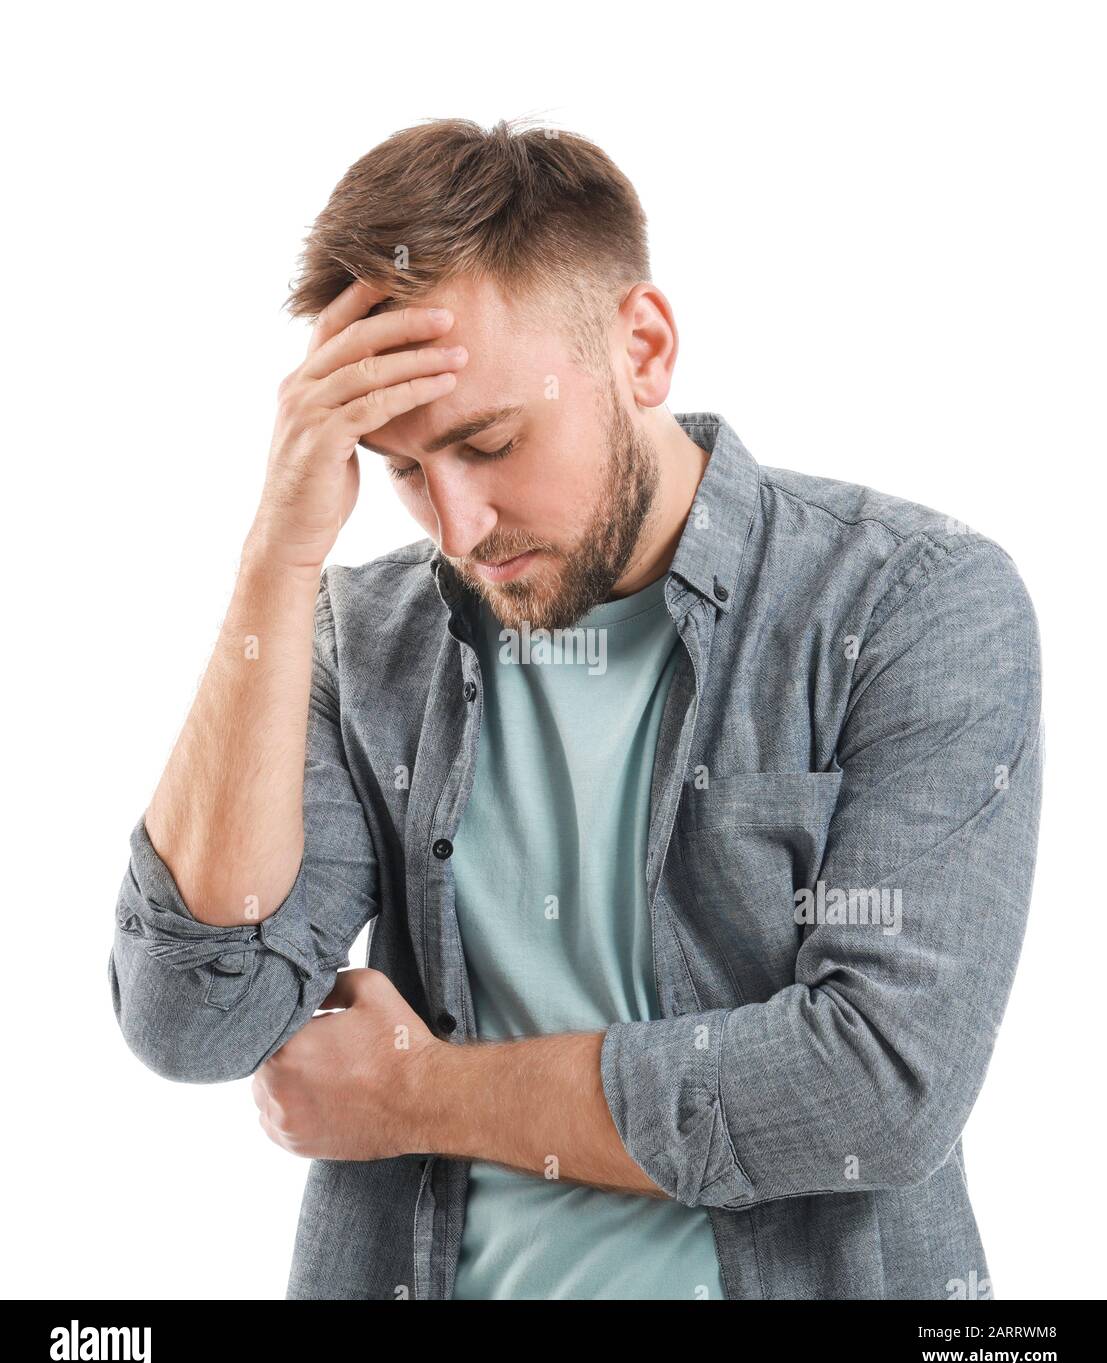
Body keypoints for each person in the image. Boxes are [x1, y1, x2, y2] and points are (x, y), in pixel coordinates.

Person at [110, 117, 1042, 1301]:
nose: (457, 526)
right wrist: (276, 565)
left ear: (641, 349)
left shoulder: (914, 601)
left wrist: (416, 1092)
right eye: (401, 468)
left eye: (489, 441)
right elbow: (197, 1017)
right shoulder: (363, 637)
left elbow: (881, 1081)